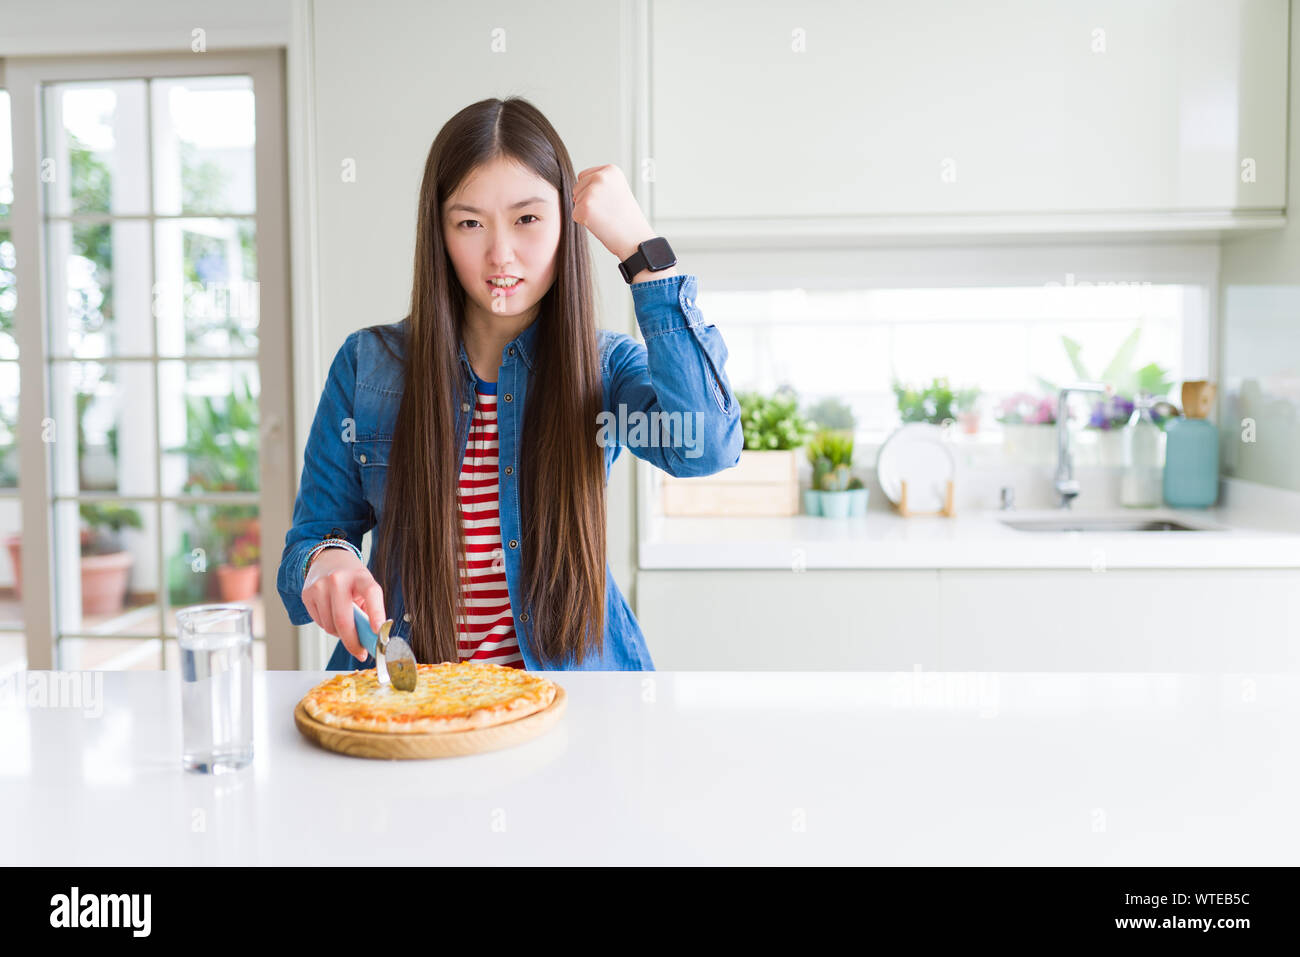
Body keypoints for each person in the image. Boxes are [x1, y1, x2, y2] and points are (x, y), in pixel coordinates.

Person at [276, 95, 742, 671]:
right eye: (469, 223)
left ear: (566, 222)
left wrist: (645, 255)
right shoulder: (368, 366)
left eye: (527, 219)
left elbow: (708, 446)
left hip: (576, 704)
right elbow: (312, 539)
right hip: (414, 710)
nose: (501, 255)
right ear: (439, 234)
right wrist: (326, 563)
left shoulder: (604, 368)